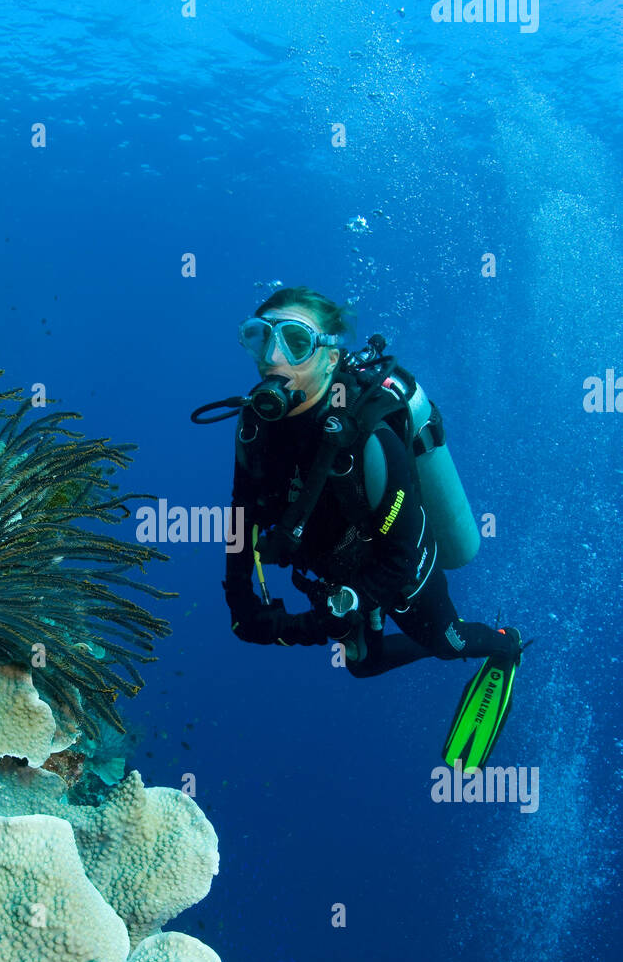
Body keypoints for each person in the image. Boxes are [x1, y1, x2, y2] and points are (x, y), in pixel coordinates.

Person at [220, 286, 523, 700]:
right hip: (339, 564)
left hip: (398, 558)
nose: (273, 357)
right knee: (362, 663)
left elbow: (398, 557)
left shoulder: (370, 439)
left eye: (295, 342)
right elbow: (242, 514)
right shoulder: (254, 427)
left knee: (450, 642)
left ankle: (507, 644)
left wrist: (319, 620)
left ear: (329, 357)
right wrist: (239, 599)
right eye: (260, 337)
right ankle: (410, 638)